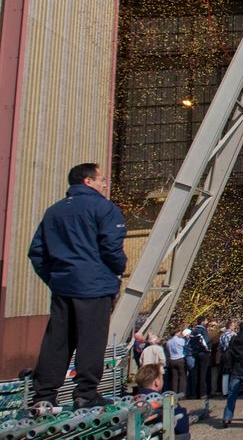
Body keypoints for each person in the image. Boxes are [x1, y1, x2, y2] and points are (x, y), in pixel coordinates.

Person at [27, 163, 127, 411]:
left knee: (57, 340)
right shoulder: (104, 208)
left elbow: (37, 252)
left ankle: (44, 395)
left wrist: (54, 278)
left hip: (63, 285)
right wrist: (117, 269)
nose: (104, 184)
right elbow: (111, 248)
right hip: (94, 286)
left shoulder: (54, 211)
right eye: (101, 179)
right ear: (87, 181)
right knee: (91, 340)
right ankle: (86, 393)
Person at [133, 363, 191, 439]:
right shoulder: (164, 401)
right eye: (161, 377)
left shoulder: (134, 401)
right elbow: (182, 428)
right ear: (157, 382)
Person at [188, 316, 212, 398]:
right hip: (203, 353)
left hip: (195, 353)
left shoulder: (193, 331)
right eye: (206, 321)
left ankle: (195, 393)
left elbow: (190, 343)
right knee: (203, 373)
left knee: (196, 373)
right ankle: (203, 393)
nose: (207, 322)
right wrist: (208, 349)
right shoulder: (202, 330)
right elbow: (205, 341)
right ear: (202, 322)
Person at [166, 328, 189, 397]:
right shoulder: (180, 340)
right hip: (180, 359)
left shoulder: (168, 342)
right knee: (182, 377)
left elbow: (168, 351)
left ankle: (174, 393)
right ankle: (181, 394)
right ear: (177, 333)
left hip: (172, 359)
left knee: (174, 377)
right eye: (180, 332)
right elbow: (186, 346)